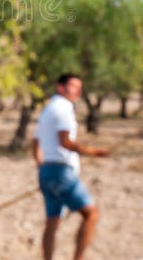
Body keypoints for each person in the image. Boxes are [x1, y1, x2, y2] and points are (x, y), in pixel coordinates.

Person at [32, 73, 110, 260]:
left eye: (79, 87)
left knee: (52, 221)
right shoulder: (64, 108)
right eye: (73, 86)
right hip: (61, 172)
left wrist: (41, 166)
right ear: (61, 87)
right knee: (91, 214)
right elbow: (65, 141)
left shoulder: (48, 109)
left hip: (47, 170)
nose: (78, 91)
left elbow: (35, 141)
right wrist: (94, 152)